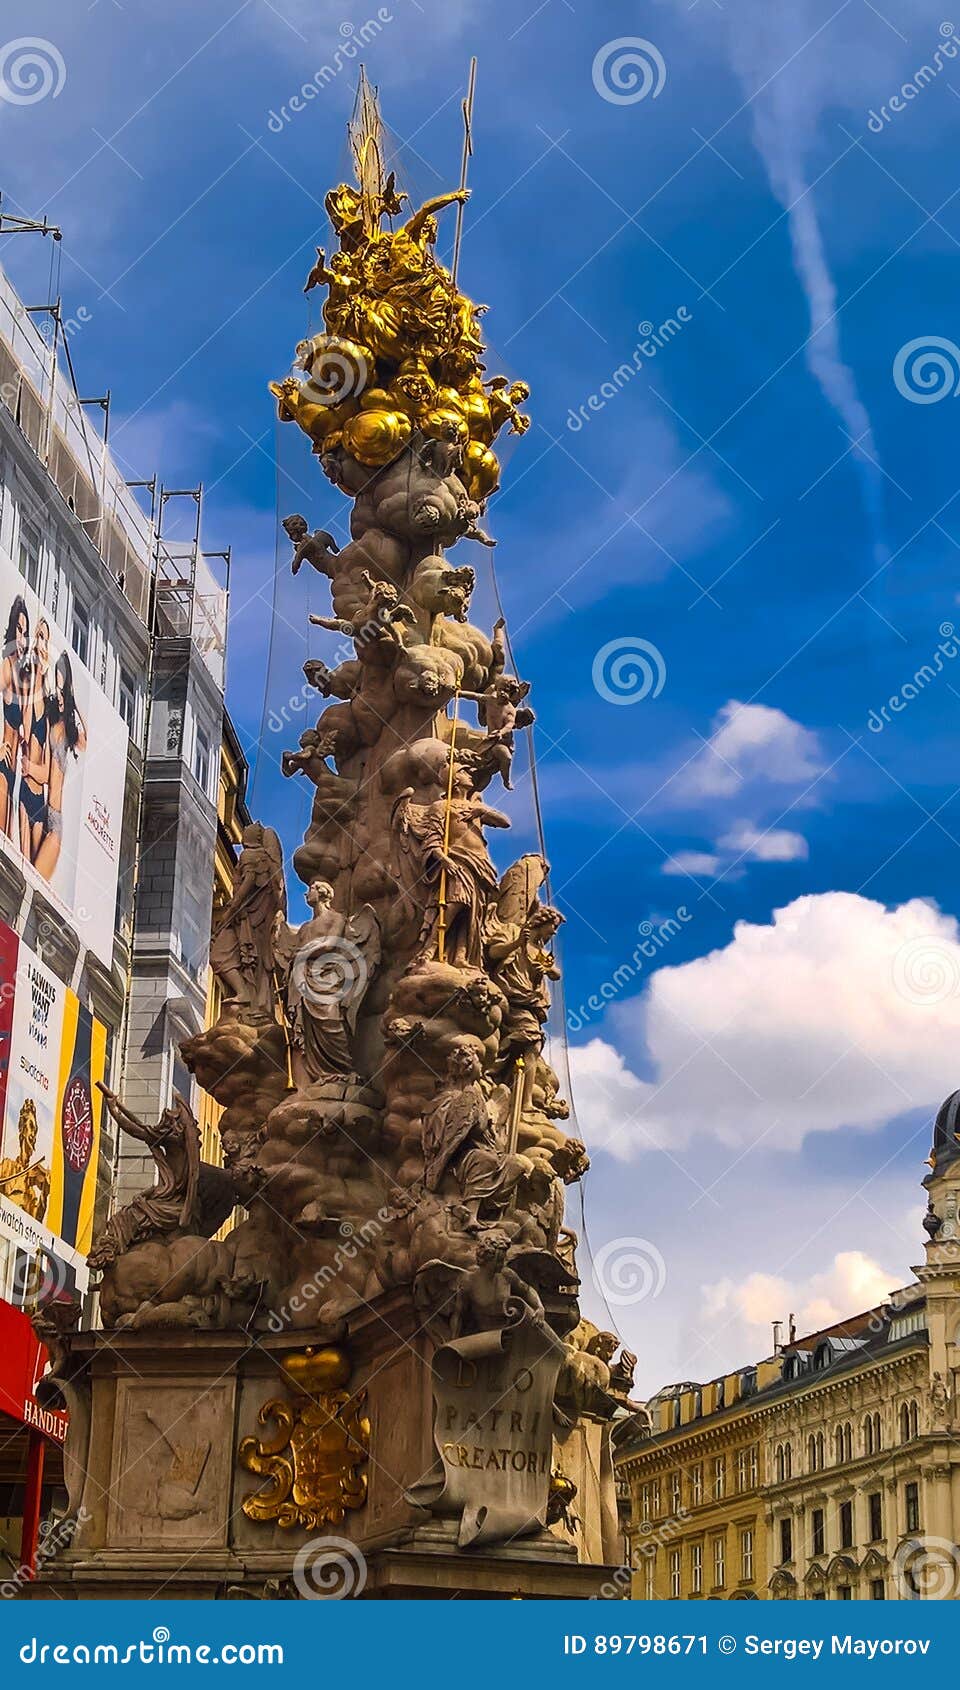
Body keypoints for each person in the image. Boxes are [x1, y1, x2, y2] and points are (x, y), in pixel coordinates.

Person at [34, 651, 86, 883]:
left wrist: (78, 709)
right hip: (42, 810)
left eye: (63, 686)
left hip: (55, 820)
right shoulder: (53, 722)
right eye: (57, 682)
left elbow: (85, 742)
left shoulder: (68, 729)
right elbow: (46, 771)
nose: (60, 693)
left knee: (35, 882)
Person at [18, 618, 51, 863]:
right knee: (18, 868)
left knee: (32, 871)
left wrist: (32, 768)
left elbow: (48, 773)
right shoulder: (29, 694)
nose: (40, 643)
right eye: (38, 636)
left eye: (44, 638)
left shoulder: (50, 711)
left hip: (39, 800)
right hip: (23, 793)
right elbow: (26, 729)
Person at [0, 596, 29, 840]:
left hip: (12, 774)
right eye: (19, 630)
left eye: (25, 633)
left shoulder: (20, 677)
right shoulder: (7, 666)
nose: (22, 639)